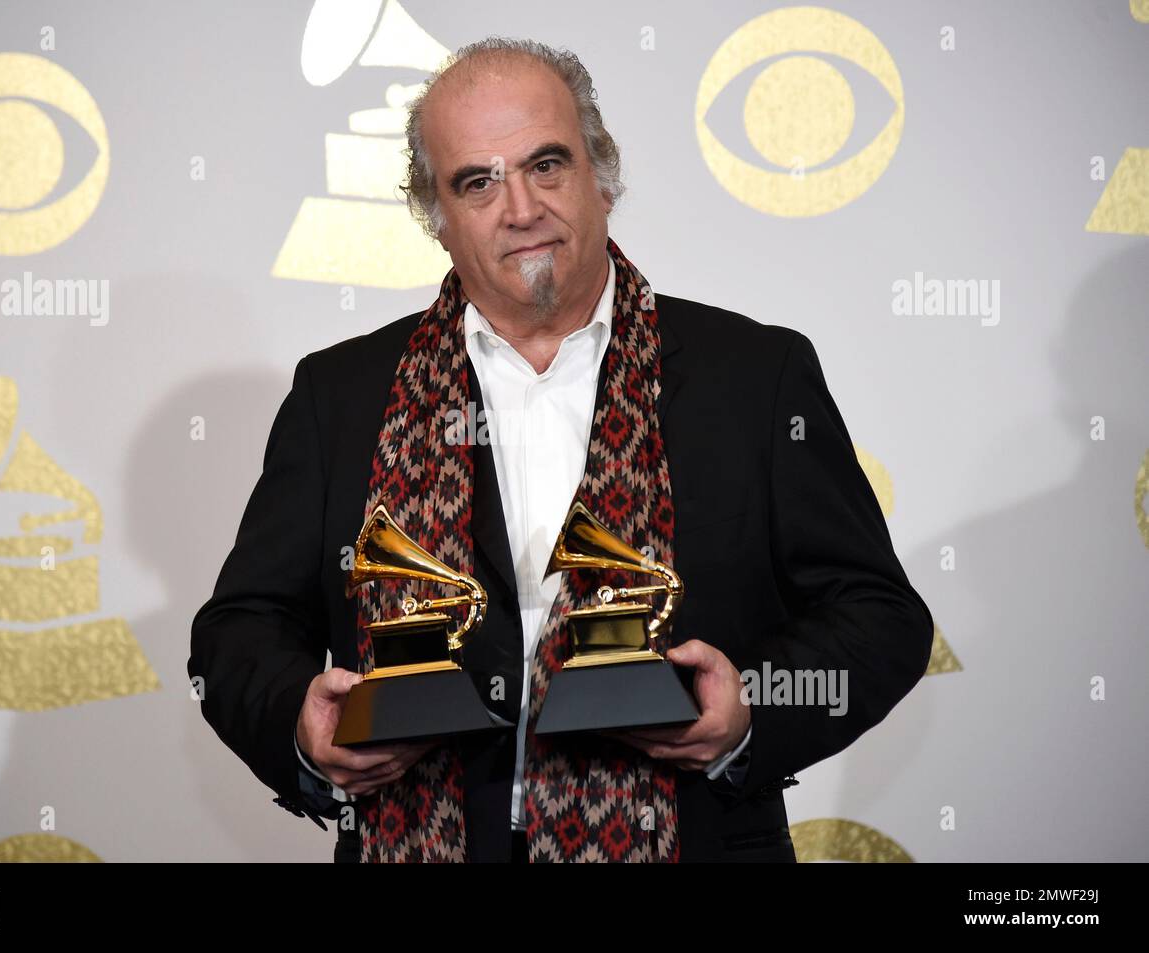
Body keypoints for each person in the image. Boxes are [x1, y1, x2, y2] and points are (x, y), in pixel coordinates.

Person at [188, 37, 933, 863]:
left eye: (547, 166)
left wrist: (751, 707)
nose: (521, 208)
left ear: (600, 174)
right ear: (437, 219)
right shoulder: (340, 395)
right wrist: (301, 719)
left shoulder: (757, 376)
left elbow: (881, 619)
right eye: (478, 182)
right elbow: (238, 632)